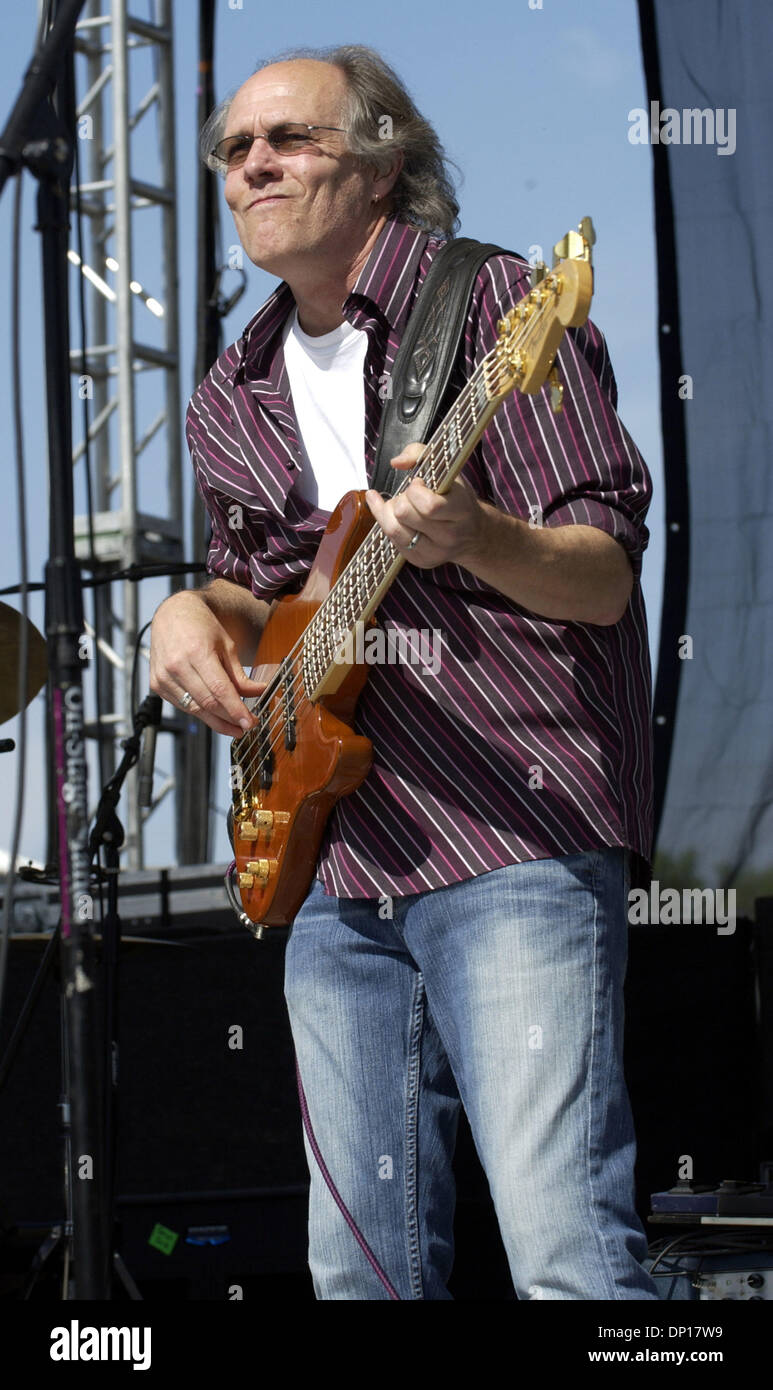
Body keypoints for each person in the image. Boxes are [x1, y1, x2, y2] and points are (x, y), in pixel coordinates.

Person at [150, 44, 660, 1301]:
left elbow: (600, 576)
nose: (252, 165)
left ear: (381, 165)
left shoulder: (491, 306)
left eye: (290, 140)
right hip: (334, 860)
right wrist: (185, 608)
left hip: (511, 839)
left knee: (566, 1260)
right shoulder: (233, 387)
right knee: (358, 1274)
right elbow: (252, 577)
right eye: (233, 150)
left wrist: (477, 536)